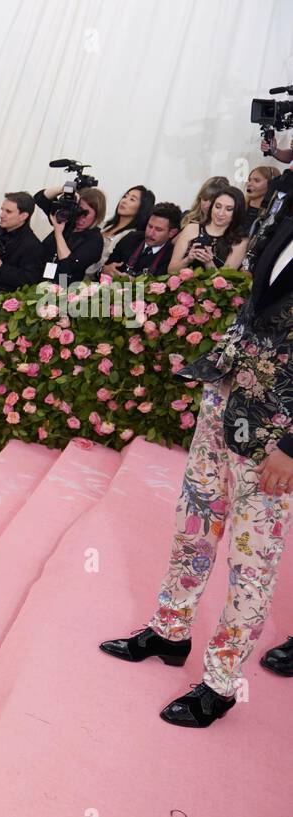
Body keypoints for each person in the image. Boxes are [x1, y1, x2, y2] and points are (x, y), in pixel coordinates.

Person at [99, 212, 293, 726]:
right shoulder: (287, 217)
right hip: (222, 400)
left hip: (276, 435)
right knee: (193, 527)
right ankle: (169, 630)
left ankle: (221, 683)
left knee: (252, 562)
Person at [0, 192, 45, 294]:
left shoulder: (32, 245)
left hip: (2, 301)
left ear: (23, 216)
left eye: (8, 211)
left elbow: (30, 280)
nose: (1, 215)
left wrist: (0, 265)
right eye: (2, 210)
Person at [168, 185, 249, 273]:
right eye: (218, 206)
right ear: (212, 207)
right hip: (183, 284)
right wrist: (188, 260)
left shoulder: (239, 240)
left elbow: (226, 281)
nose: (220, 213)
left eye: (229, 209)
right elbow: (171, 270)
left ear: (237, 212)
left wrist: (209, 263)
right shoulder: (191, 228)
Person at [33, 184, 106, 281]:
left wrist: (58, 233)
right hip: (39, 277)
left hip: (64, 285)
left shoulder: (95, 239)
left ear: (97, 214)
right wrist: (66, 189)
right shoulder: (66, 221)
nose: (80, 217)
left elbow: (68, 266)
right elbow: (40, 198)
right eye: (78, 210)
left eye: (85, 213)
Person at [102, 202, 182, 277]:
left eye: (158, 230)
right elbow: (106, 268)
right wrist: (104, 270)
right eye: (150, 226)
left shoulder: (171, 256)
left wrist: (135, 284)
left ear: (172, 232)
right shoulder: (131, 238)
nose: (150, 233)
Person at [93, 185, 155, 276]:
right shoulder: (105, 223)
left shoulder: (131, 237)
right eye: (125, 196)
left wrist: (101, 270)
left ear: (142, 208)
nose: (124, 201)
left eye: (132, 199)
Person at [244, 165, 280, 231]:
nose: (249, 184)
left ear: (271, 185)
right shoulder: (238, 208)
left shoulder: (273, 218)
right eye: (249, 180)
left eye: (257, 181)